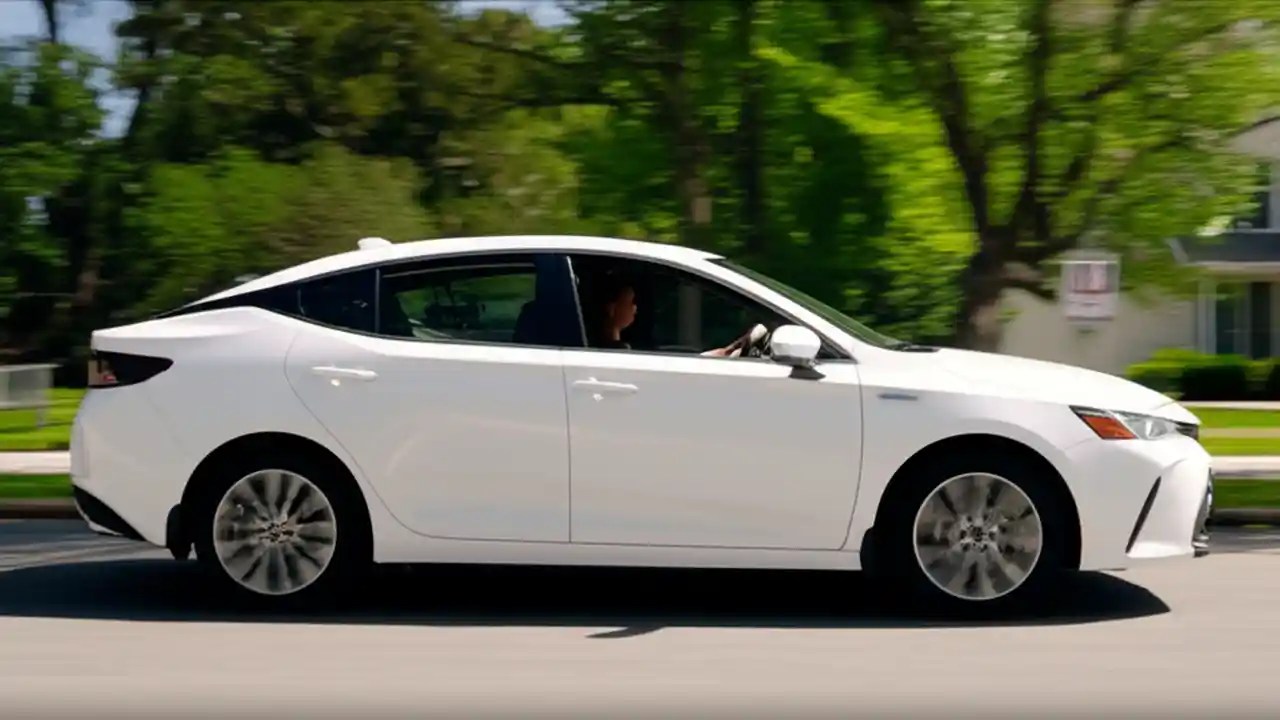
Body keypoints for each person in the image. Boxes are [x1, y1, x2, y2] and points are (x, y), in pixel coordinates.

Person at [591, 273, 764, 357]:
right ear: (612, 309)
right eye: (630, 302)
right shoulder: (615, 353)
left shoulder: (614, 349)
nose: (635, 308)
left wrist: (728, 351)